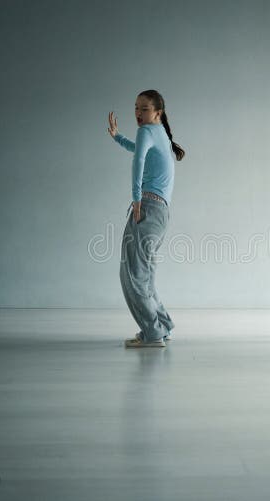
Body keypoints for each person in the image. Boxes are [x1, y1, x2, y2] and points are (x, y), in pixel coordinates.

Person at [107, 89, 185, 348]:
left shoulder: (146, 131)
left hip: (147, 208)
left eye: (144, 109)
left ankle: (153, 334)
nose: (138, 113)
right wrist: (118, 137)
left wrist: (136, 200)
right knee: (145, 276)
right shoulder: (160, 133)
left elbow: (138, 161)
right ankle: (163, 326)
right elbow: (140, 150)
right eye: (136, 108)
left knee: (132, 275)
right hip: (161, 213)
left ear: (158, 112)